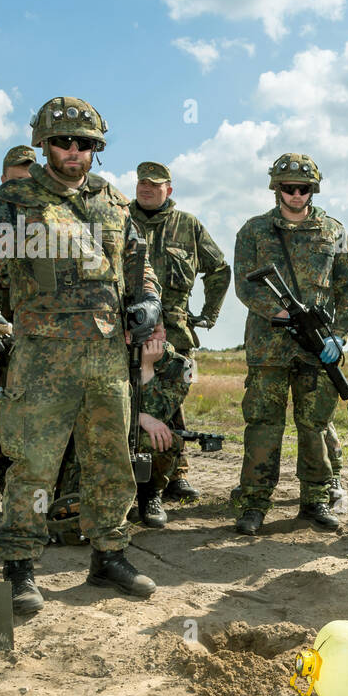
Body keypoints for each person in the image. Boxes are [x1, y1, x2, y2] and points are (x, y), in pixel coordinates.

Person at [0, 95, 162, 615]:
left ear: (96, 148)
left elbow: (140, 261)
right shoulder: (15, 200)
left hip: (106, 357)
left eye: (85, 144)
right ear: (44, 144)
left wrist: (148, 299)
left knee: (110, 458)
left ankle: (110, 554)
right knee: (34, 463)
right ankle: (21, 565)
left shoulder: (113, 203)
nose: (74, 152)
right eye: (62, 142)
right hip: (42, 355)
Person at [232, 153, 348, 535]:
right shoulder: (254, 231)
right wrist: (280, 312)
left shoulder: (333, 231)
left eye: (303, 189)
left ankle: (316, 500)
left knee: (315, 425)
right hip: (268, 345)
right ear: (277, 189)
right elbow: (244, 284)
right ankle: (254, 504)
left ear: (312, 190)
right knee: (263, 425)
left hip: (317, 347)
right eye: (288, 188)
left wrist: (339, 336)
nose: (295, 195)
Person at [129, 161, 230, 502]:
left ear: (168, 190)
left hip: (174, 330)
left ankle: (176, 474)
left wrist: (208, 314)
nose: (147, 188)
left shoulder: (187, 225)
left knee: (171, 401)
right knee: (128, 395)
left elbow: (219, 269)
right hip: (127, 328)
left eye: (154, 185)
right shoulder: (119, 220)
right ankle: (133, 478)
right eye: (142, 183)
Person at [49, 323, 193, 537]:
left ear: (164, 333)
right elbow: (88, 406)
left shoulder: (182, 366)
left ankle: (150, 493)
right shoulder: (106, 357)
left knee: (161, 438)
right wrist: (139, 416)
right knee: (73, 505)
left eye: (154, 332)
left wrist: (146, 367)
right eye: (140, 332)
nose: (147, 339)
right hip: (104, 429)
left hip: (144, 435)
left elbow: (160, 414)